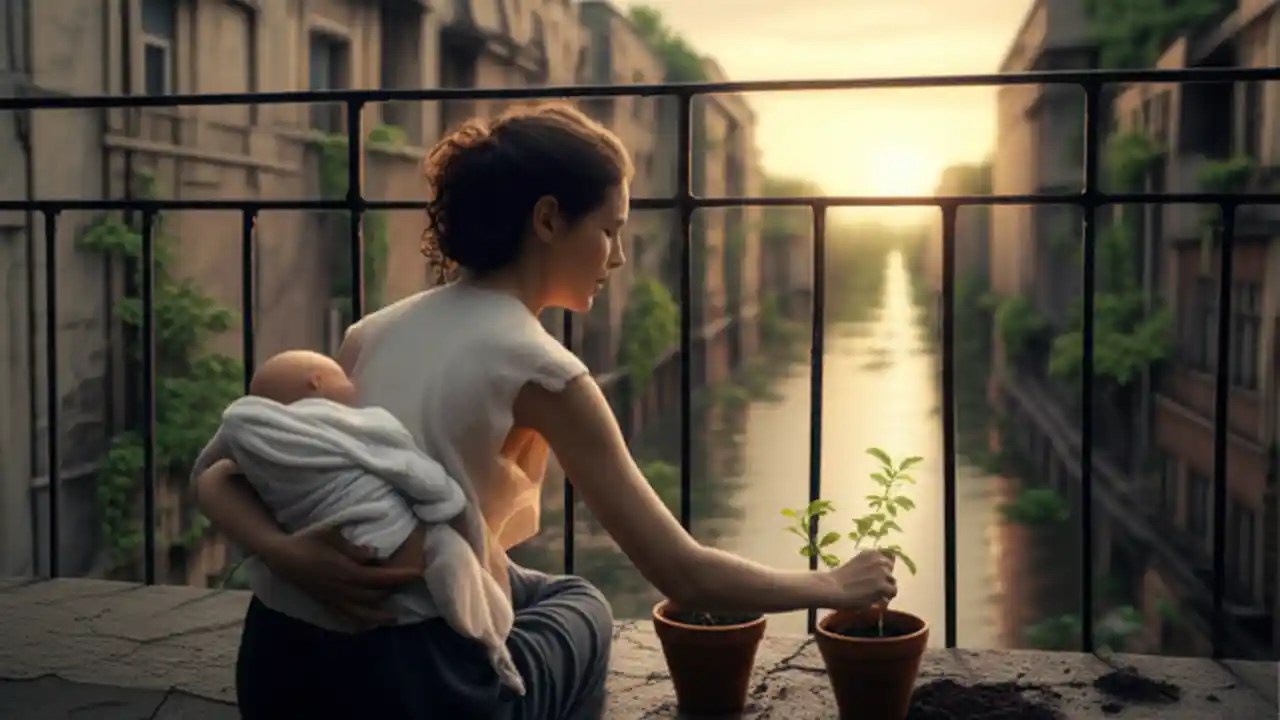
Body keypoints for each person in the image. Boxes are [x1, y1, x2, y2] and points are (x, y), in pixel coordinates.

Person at [193, 102, 897, 720]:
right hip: (407, 687)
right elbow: (683, 574)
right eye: (611, 230)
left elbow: (229, 469)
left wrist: (287, 556)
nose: (618, 257)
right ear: (549, 219)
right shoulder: (546, 370)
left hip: (278, 665)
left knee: (525, 581)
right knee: (585, 607)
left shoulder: (370, 329)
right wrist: (832, 583)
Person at [190, 349, 524, 696]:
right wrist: (451, 510)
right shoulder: (360, 424)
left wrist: (280, 550)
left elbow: (207, 476)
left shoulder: (255, 435)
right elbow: (412, 472)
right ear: (316, 382)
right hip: (418, 661)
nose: (356, 388)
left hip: (279, 660)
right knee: (575, 601)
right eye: (346, 380)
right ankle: (496, 644)